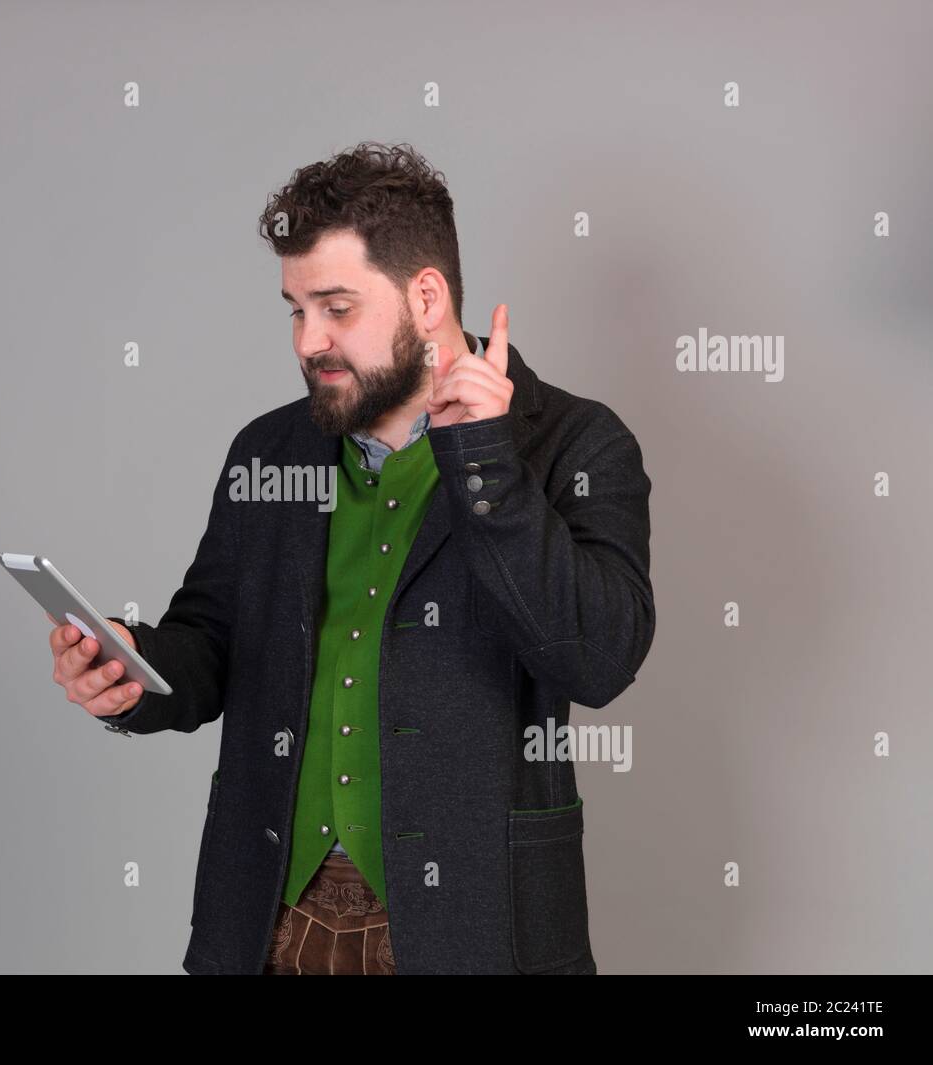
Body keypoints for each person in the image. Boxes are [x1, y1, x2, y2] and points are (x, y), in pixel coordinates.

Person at [49, 141, 656, 974]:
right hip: (267, 918)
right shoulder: (268, 448)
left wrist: (484, 462)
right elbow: (211, 645)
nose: (309, 340)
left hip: (473, 928)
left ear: (427, 296)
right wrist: (131, 668)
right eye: (295, 309)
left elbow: (597, 658)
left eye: (336, 307)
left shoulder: (573, 443)